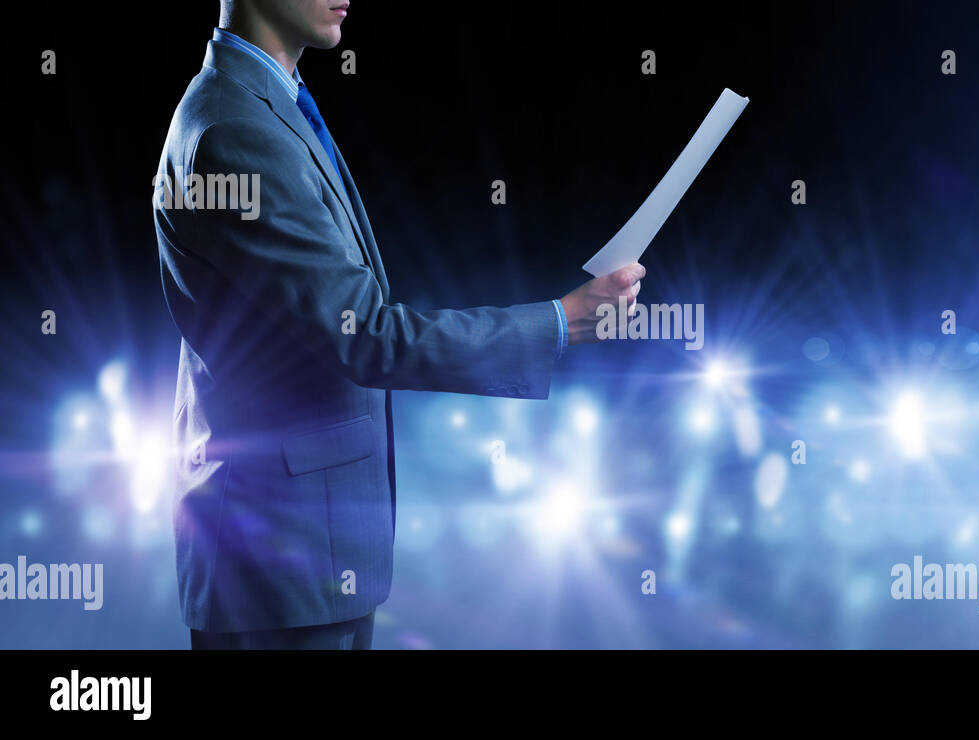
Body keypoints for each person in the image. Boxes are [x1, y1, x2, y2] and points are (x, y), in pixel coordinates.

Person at [153, 0, 644, 649]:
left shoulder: (262, 103)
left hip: (307, 560)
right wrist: (557, 324)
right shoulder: (234, 129)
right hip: (279, 572)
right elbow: (367, 335)